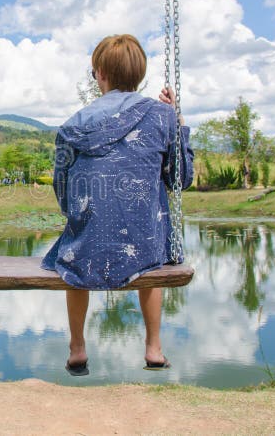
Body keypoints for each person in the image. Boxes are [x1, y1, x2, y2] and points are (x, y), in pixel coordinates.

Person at [41, 34, 194, 377]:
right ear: (139, 76)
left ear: (99, 74)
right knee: (152, 250)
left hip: (86, 244)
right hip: (145, 246)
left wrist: (79, 217)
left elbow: (61, 186)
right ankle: (153, 348)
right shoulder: (162, 116)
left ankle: (77, 347)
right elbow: (180, 180)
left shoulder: (72, 125)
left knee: (73, 257)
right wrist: (178, 123)